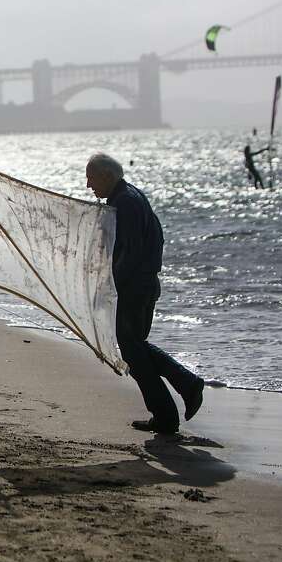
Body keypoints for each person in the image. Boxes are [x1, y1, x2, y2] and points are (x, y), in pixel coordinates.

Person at [86, 153, 203, 435]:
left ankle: (172, 406)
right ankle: (181, 392)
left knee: (133, 350)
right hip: (138, 285)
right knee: (134, 347)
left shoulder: (126, 202)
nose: (88, 185)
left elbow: (130, 252)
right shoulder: (126, 197)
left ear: (106, 176)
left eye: (91, 178)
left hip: (134, 288)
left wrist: (110, 286)